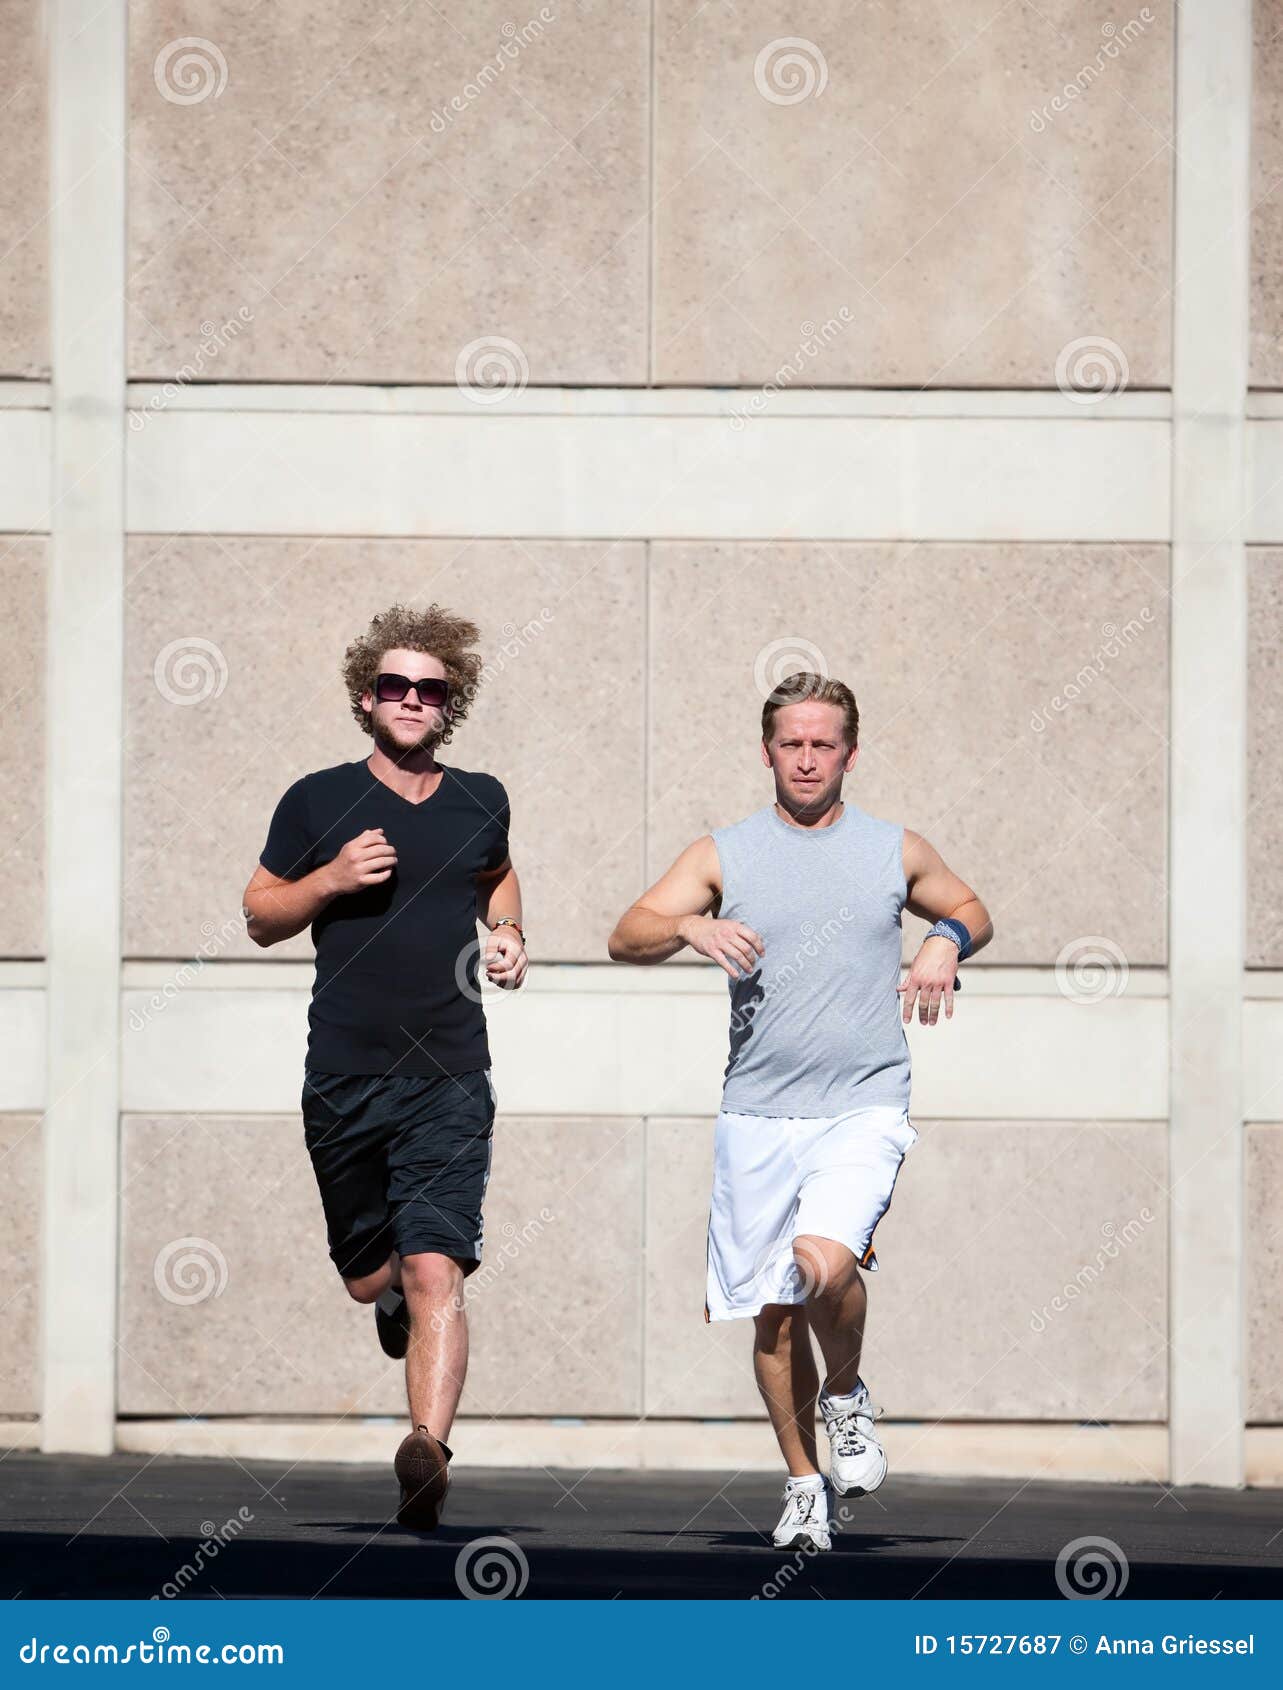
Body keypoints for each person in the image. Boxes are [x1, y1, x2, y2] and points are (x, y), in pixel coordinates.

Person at [607, 670, 991, 1551]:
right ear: (767, 751)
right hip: (756, 1114)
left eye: (824, 743)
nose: (808, 758)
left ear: (850, 752)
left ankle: (846, 1395)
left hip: (861, 1103)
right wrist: (689, 928)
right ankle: (803, 1483)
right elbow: (625, 934)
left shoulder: (894, 849)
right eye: (792, 743)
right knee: (773, 1312)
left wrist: (944, 938)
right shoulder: (722, 854)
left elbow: (970, 906)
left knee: (822, 1264)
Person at [242, 603, 526, 1530]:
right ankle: (387, 1304)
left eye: (430, 689)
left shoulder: (481, 796)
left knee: (437, 1267)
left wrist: (509, 931)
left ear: (451, 704)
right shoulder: (317, 800)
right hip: (345, 1077)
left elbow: (496, 873)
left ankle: (426, 1452)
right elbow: (258, 915)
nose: (412, 699)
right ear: (367, 699)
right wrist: (327, 880)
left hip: (450, 1074)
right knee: (377, 1280)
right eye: (395, 686)